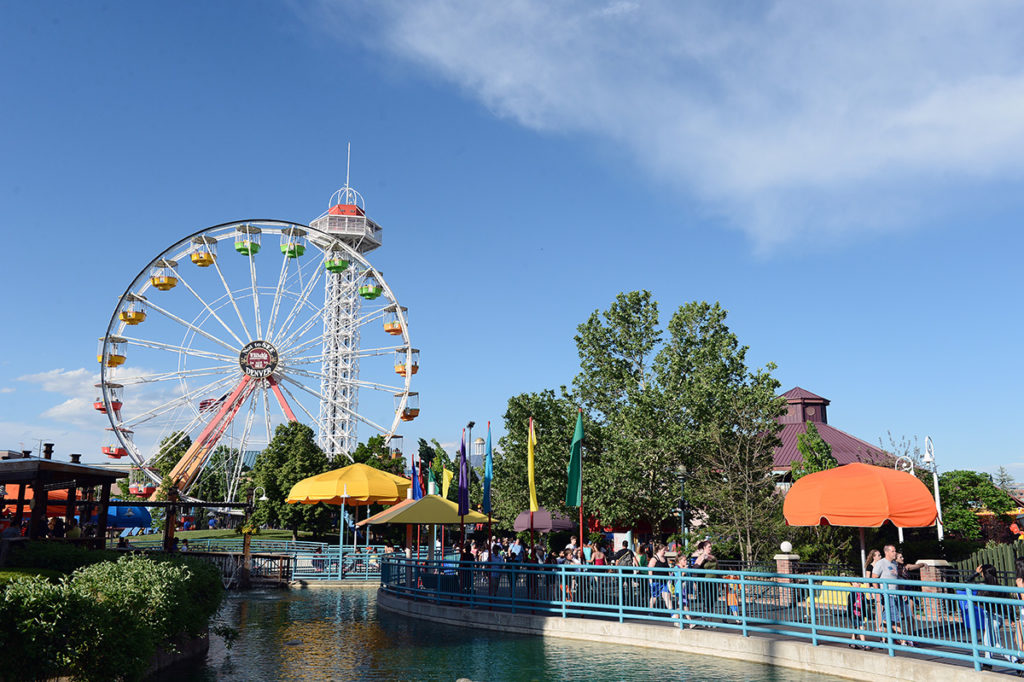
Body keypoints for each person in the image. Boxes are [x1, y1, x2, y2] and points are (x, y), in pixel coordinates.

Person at [871, 544, 905, 643]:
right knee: (895, 618)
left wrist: (902, 592)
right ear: (887, 552)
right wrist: (878, 593)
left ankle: (884, 638)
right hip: (887, 595)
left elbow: (897, 579)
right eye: (893, 551)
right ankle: (903, 640)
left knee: (887, 618)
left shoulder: (894, 564)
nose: (895, 553)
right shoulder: (881, 563)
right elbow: (874, 578)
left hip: (895, 594)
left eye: (895, 551)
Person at [648, 543, 673, 611]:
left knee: (667, 596)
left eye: (665, 550)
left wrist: (670, 577)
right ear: (659, 550)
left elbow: (668, 569)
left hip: (664, 581)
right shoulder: (654, 558)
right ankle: (651, 610)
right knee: (654, 597)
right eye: (663, 550)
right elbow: (650, 570)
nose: (665, 552)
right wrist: (651, 581)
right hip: (656, 581)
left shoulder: (665, 558)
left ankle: (672, 613)